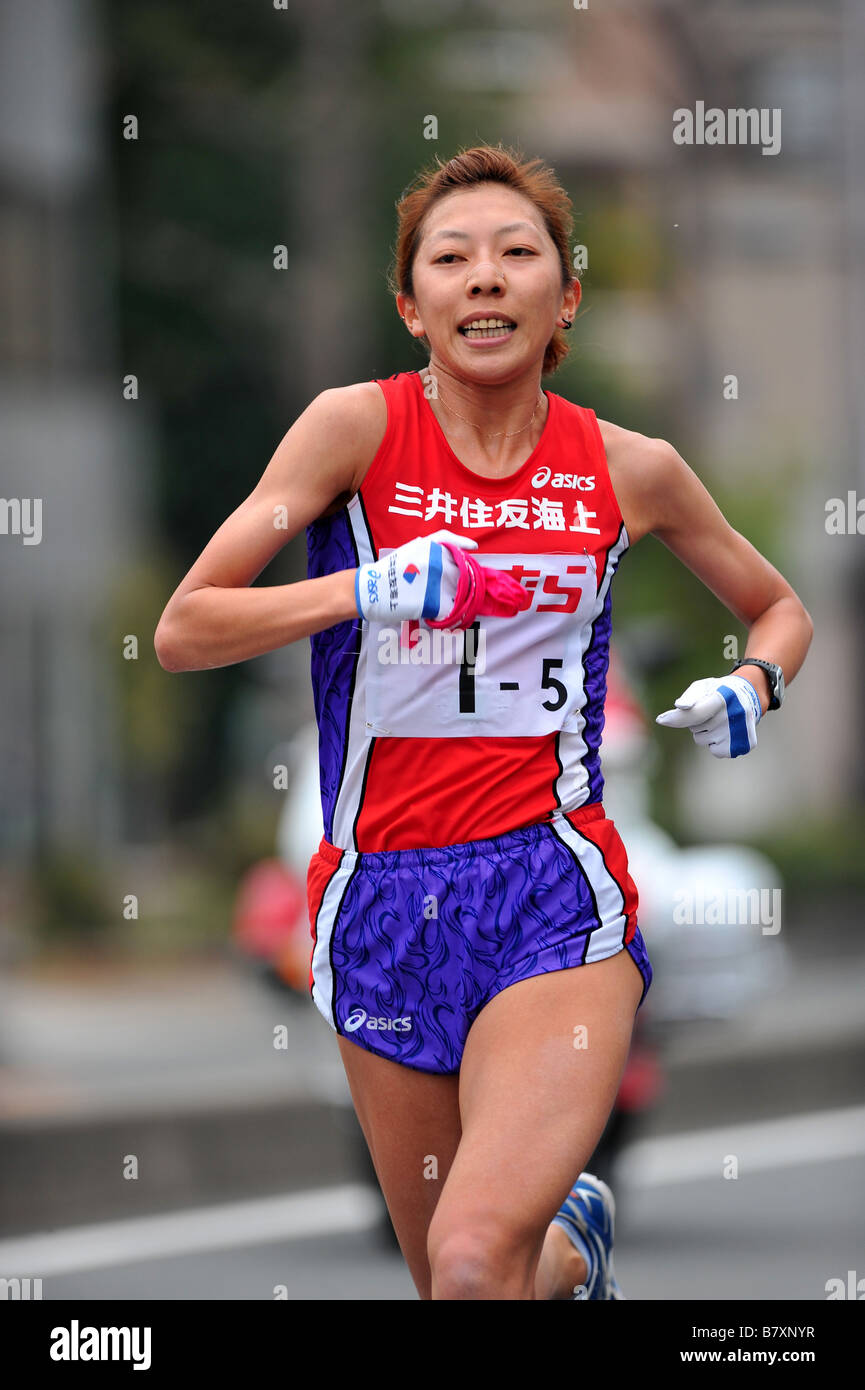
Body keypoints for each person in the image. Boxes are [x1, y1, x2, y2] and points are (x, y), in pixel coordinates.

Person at [154, 144, 813, 1300]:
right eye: (450, 259)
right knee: (461, 1279)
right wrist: (367, 586)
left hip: (551, 887)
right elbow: (186, 627)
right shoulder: (350, 432)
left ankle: (548, 1245)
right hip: (379, 895)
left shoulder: (630, 467)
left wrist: (751, 685)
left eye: (517, 253)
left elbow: (779, 607)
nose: (486, 277)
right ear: (412, 306)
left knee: (467, 1266)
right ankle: (573, 1249)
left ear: (566, 296)